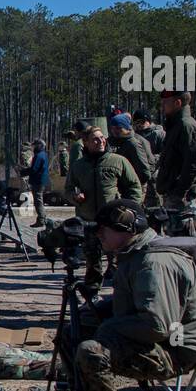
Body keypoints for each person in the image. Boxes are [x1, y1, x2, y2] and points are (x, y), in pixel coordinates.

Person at [72, 200, 196, 391]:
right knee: (74, 332)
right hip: (166, 340)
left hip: (178, 349)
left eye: (105, 229)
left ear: (127, 230)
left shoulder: (153, 262)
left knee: (92, 352)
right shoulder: (136, 255)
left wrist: (108, 326)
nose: (99, 235)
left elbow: (156, 326)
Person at [66, 126, 143, 295]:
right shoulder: (78, 166)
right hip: (89, 221)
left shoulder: (118, 161)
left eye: (102, 138)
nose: (100, 141)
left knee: (120, 263)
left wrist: (129, 210)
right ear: (85, 143)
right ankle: (92, 299)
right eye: (95, 139)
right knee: (92, 264)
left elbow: (134, 186)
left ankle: (123, 300)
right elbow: (69, 189)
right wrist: (75, 197)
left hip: (114, 222)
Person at [155, 90, 196, 237]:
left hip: (183, 197)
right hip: (175, 194)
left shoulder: (187, 127)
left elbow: (194, 164)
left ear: (177, 103)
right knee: (175, 239)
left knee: (185, 242)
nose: (162, 106)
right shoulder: (176, 126)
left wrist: (179, 192)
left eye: (166, 102)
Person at [107, 113, 154, 194]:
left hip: (133, 186)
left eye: (118, 128)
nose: (115, 131)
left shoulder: (135, 143)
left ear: (126, 128)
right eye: (113, 128)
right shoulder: (112, 141)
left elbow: (146, 170)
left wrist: (136, 183)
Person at [133, 109, 166, 207]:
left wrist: (150, 159)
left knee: (156, 202)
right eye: (136, 123)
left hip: (156, 173)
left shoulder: (159, 134)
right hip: (140, 173)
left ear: (148, 121)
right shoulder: (135, 135)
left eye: (142, 122)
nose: (139, 125)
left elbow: (164, 153)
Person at [25, 139, 50, 225]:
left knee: (38, 200)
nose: (33, 147)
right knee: (39, 200)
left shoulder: (38, 155)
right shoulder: (43, 154)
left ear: (39, 145)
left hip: (38, 180)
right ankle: (42, 219)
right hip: (41, 180)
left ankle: (41, 219)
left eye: (34, 145)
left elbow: (34, 169)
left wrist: (23, 171)